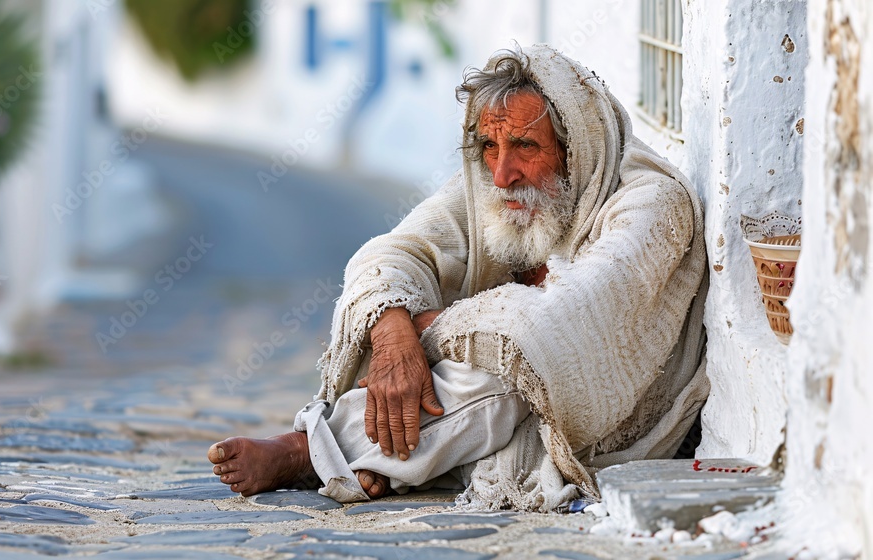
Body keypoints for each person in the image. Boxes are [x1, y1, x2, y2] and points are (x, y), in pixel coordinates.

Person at [209, 44, 709, 511]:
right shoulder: (490, 187)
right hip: (503, 401)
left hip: (602, 420)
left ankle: (310, 451)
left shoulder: (652, 203)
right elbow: (390, 255)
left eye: (525, 145)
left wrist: (426, 329)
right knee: (399, 326)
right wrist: (393, 333)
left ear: (575, 147)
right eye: (490, 145)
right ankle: (390, 460)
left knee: (504, 370)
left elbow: (551, 328)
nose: (502, 173)